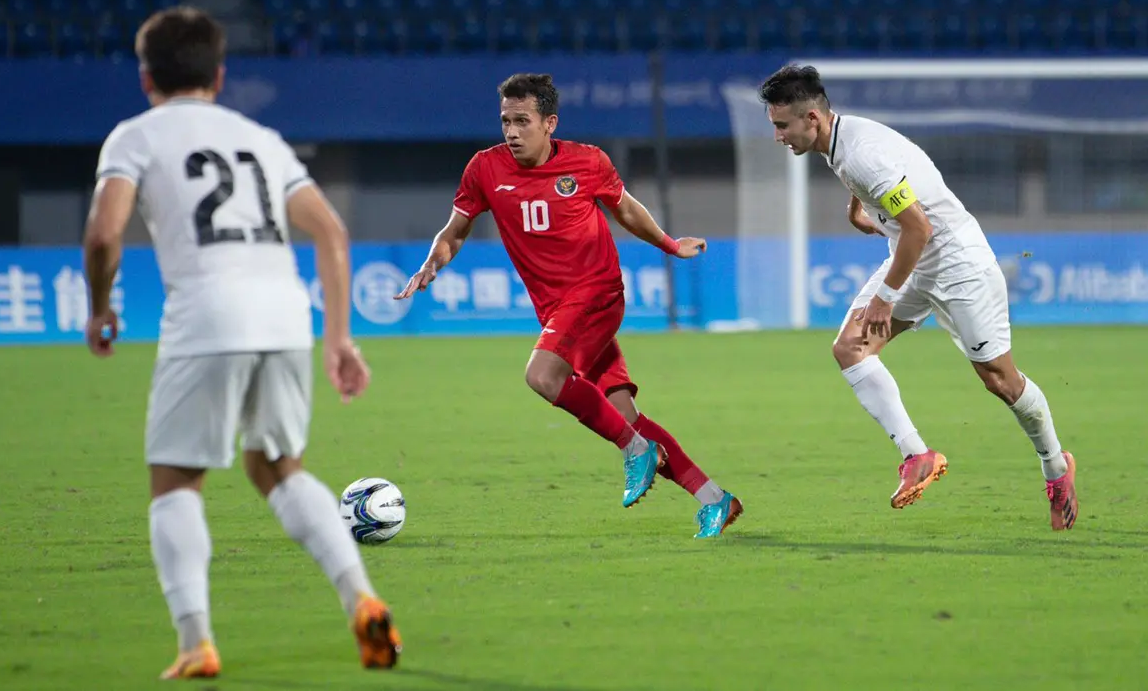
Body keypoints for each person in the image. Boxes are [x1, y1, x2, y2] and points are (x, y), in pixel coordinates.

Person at [81, 6, 402, 679]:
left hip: (205, 318)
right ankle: (362, 598)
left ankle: (196, 641)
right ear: (219, 75)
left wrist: (100, 308)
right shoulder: (260, 138)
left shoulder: (133, 137)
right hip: (283, 315)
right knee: (278, 466)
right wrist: (339, 338)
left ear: (146, 78)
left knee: (176, 482)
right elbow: (332, 233)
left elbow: (104, 234)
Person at [394, 73, 742, 539]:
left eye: (522, 121)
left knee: (542, 375)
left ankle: (634, 450)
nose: (512, 132)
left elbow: (625, 208)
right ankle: (715, 499)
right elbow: (455, 229)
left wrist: (668, 244)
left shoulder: (587, 162)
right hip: (557, 309)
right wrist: (433, 262)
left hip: (596, 293)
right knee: (625, 416)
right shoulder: (485, 169)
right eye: (505, 121)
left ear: (549, 122)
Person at [758, 64, 1078, 530]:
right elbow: (890, 193)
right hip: (913, 255)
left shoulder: (861, 153)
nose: (778, 136)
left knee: (1000, 380)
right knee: (850, 347)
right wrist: (861, 211)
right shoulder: (841, 141)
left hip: (958, 263)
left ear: (812, 118)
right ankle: (917, 455)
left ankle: (1056, 467)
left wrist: (886, 296)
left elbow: (919, 226)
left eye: (782, 125)